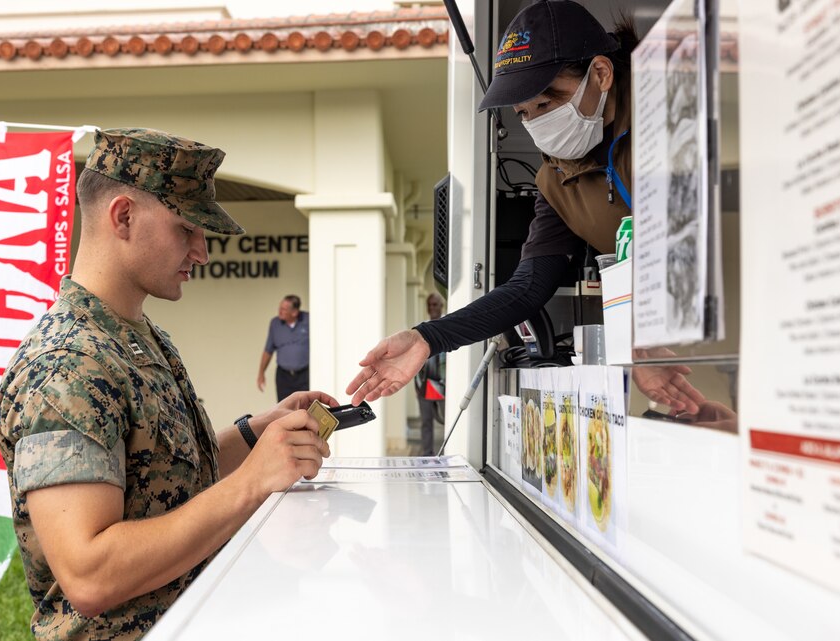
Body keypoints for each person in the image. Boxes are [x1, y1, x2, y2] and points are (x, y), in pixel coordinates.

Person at [0, 128, 334, 641]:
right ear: (123, 216)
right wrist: (252, 482)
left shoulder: (138, 336)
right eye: (186, 229)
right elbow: (89, 573)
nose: (201, 251)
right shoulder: (67, 364)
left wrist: (254, 436)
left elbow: (165, 480)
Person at [347, 0, 703, 416]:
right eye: (524, 113)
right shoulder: (555, 179)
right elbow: (528, 288)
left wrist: (639, 338)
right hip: (675, 357)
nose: (536, 122)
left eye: (547, 104)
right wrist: (427, 338)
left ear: (601, 74)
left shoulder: (670, 113)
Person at [257, 294, 310, 401]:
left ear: (294, 312)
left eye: (284, 309)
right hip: (284, 376)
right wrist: (261, 373)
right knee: (284, 408)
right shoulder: (275, 323)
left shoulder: (308, 320)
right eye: (280, 308)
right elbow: (268, 350)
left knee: (306, 406)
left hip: (305, 374)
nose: (279, 311)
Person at [413, 294, 445, 455]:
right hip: (424, 386)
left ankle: (448, 453)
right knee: (426, 422)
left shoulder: (448, 328)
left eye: (435, 304)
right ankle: (427, 456)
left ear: (441, 306)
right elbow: (414, 360)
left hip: (444, 385)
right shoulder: (421, 329)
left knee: (447, 420)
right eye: (430, 305)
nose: (432, 308)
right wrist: (416, 385)